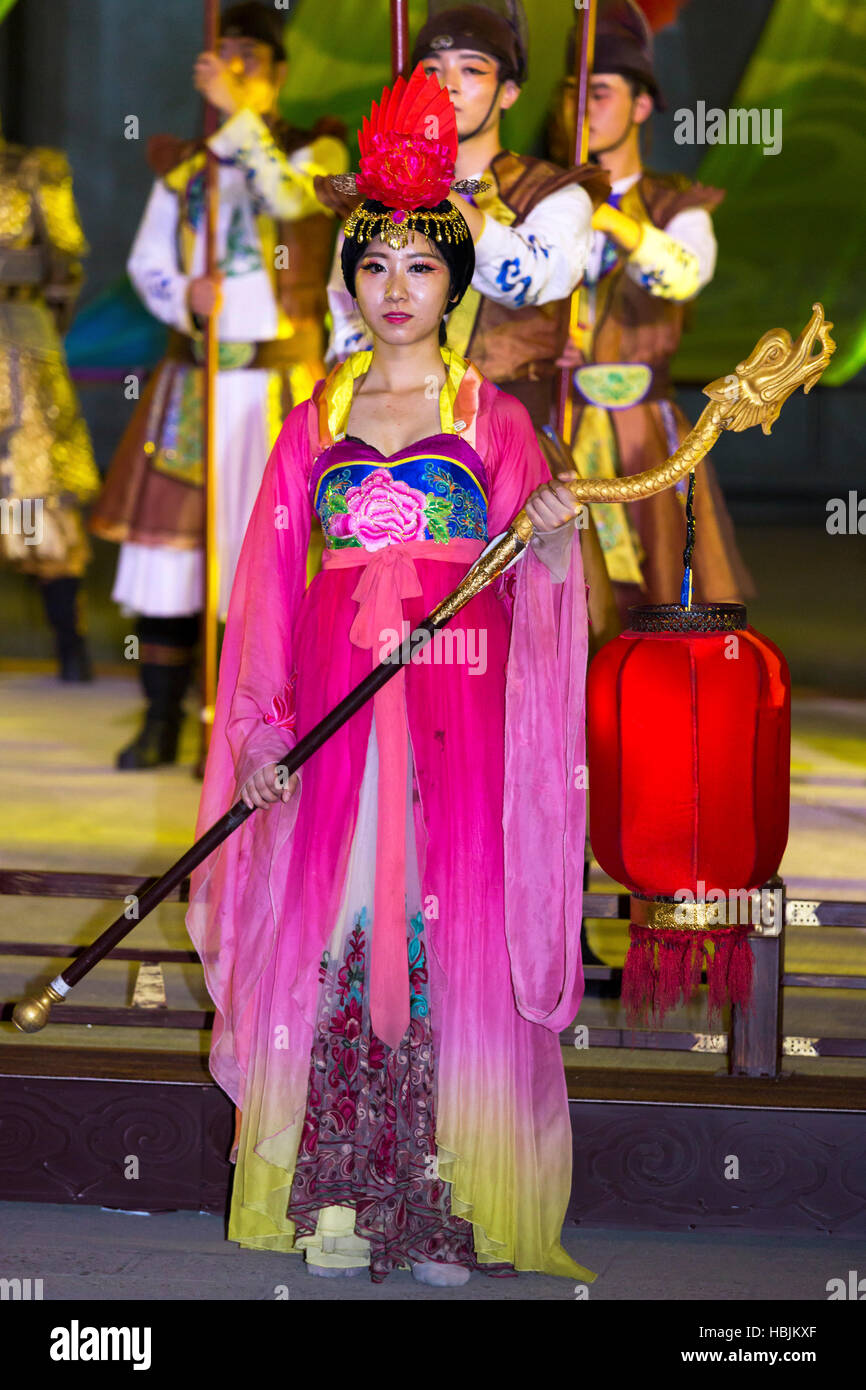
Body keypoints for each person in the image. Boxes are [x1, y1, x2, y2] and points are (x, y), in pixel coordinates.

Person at [187, 67, 595, 1286]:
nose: (394, 289)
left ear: (451, 283)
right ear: (348, 282)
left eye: (419, 266)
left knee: (441, 937)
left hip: (456, 722)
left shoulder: (496, 424)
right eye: (373, 267)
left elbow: (539, 589)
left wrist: (558, 541)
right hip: (335, 715)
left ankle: (444, 1204)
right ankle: (335, 1201)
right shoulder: (312, 421)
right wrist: (260, 733)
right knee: (339, 928)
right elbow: (262, 592)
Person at [90, 1, 348, 768]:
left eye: (252, 57)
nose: (235, 67)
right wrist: (182, 298)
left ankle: (242, 726)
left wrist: (238, 117)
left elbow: (288, 200)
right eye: (224, 52)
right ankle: (164, 718)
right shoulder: (183, 167)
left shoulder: (314, 151)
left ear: (278, 74)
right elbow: (146, 262)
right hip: (194, 382)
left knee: (265, 550)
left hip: (279, 383)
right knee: (172, 553)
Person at [324, 1, 621, 650]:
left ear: (509, 90)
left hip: (513, 453)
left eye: (473, 68)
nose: (449, 85)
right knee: (374, 642)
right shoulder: (375, 197)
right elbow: (346, 319)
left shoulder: (556, 193)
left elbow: (540, 277)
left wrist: (448, 203)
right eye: (431, 69)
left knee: (518, 645)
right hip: (389, 455)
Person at [550, 0, 754, 622]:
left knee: (663, 599)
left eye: (601, 93)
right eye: (572, 93)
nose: (581, 107)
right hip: (555, 425)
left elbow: (685, 274)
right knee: (560, 597)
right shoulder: (536, 199)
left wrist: (614, 220)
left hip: (644, 437)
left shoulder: (674, 203)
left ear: (642, 105)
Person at [0, 117, 100, 680]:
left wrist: (41, 326)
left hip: (21, 339)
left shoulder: (35, 168)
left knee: (33, 488)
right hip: (26, 329)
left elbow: (65, 264)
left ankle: (71, 643)